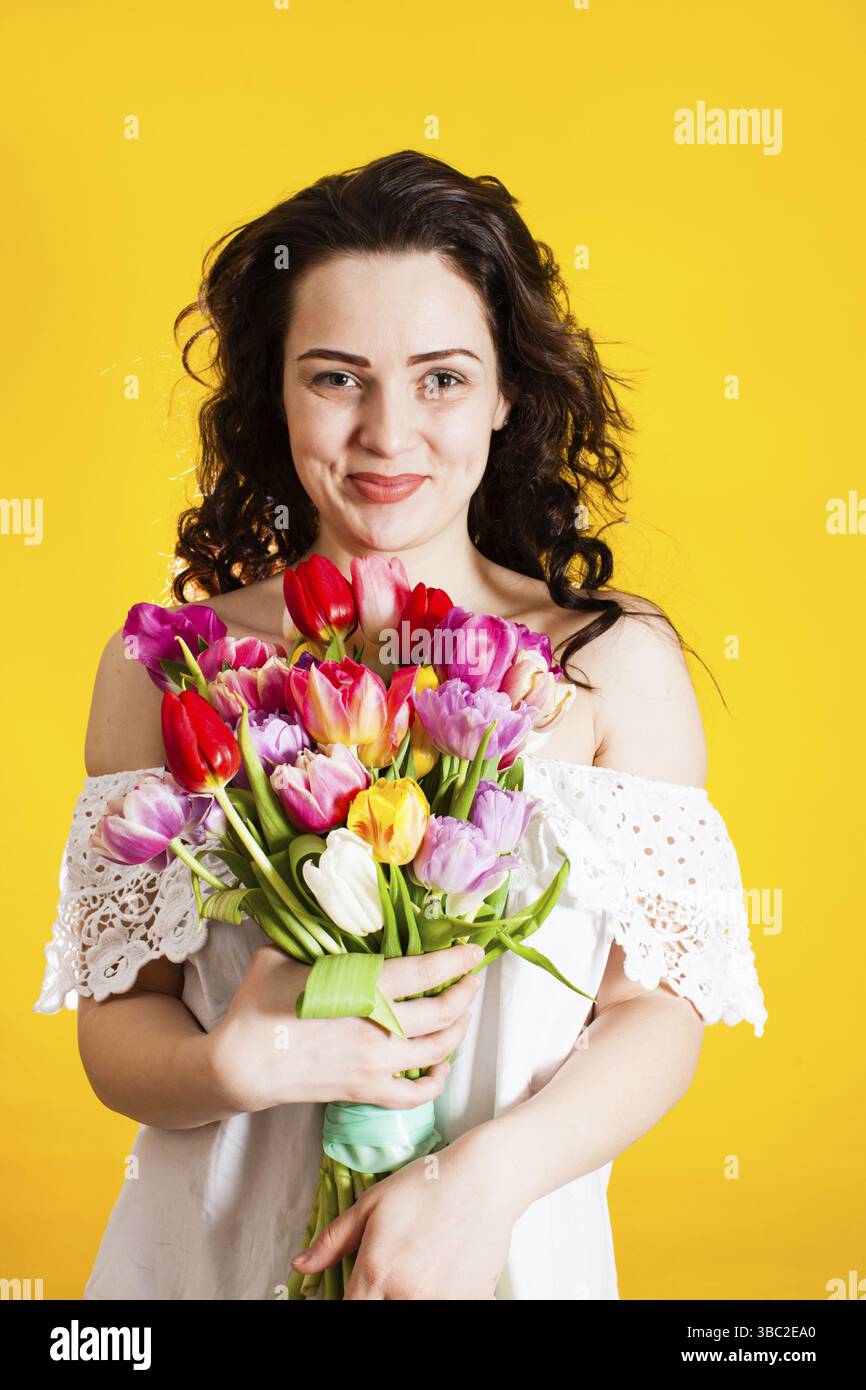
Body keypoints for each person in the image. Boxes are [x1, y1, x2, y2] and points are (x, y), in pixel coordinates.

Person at [34, 149, 767, 1300]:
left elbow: (656, 1010)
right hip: (215, 1262)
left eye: (439, 378)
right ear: (273, 392)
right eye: (335, 377)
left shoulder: (611, 666)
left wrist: (481, 1183)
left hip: (501, 1253)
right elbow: (116, 1029)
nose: (388, 432)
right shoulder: (165, 668)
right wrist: (233, 1061)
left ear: (505, 391)